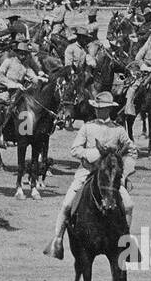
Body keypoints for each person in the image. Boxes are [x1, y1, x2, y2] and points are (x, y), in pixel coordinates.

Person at [44, 90, 137, 259]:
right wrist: (92, 154)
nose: (100, 111)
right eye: (98, 108)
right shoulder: (87, 127)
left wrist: (124, 173)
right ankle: (57, 240)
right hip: (87, 172)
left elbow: (132, 151)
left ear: (109, 109)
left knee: (129, 205)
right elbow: (75, 149)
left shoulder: (119, 130)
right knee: (67, 204)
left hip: (109, 177)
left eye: (103, 108)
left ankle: (125, 242)